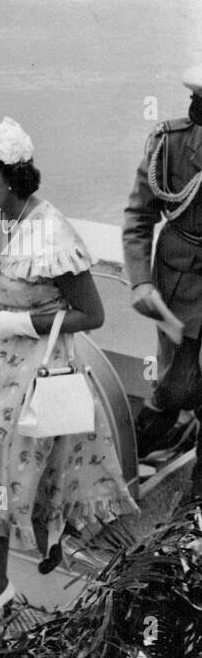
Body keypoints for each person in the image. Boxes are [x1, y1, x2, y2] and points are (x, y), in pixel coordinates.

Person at [0, 119, 137, 610]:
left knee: (0, 470)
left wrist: (21, 324)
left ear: (12, 176)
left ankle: (1, 581)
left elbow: (92, 314)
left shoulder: (51, 232)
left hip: (39, 364)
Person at [122, 65, 202, 481]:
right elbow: (139, 216)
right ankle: (121, 471)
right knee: (174, 384)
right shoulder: (169, 144)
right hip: (180, 280)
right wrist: (140, 280)